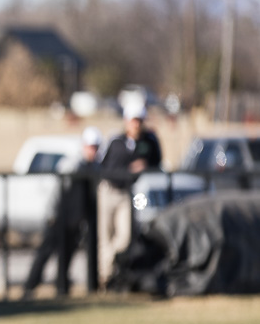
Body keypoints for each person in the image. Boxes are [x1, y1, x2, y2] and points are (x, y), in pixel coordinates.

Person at [22, 127, 102, 299]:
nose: (92, 151)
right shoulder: (70, 165)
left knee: (67, 255)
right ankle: (29, 287)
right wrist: (51, 214)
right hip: (59, 217)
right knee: (45, 252)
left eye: (95, 147)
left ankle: (62, 289)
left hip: (76, 220)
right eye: (90, 146)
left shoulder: (96, 168)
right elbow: (56, 192)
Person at [98, 97, 162, 287]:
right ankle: (105, 278)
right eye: (133, 120)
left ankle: (110, 265)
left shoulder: (148, 141)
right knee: (105, 236)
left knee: (124, 238)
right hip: (108, 190)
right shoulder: (116, 141)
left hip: (126, 193)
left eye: (139, 120)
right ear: (126, 121)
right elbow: (103, 167)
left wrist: (144, 165)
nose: (136, 124)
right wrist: (128, 169)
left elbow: (156, 161)